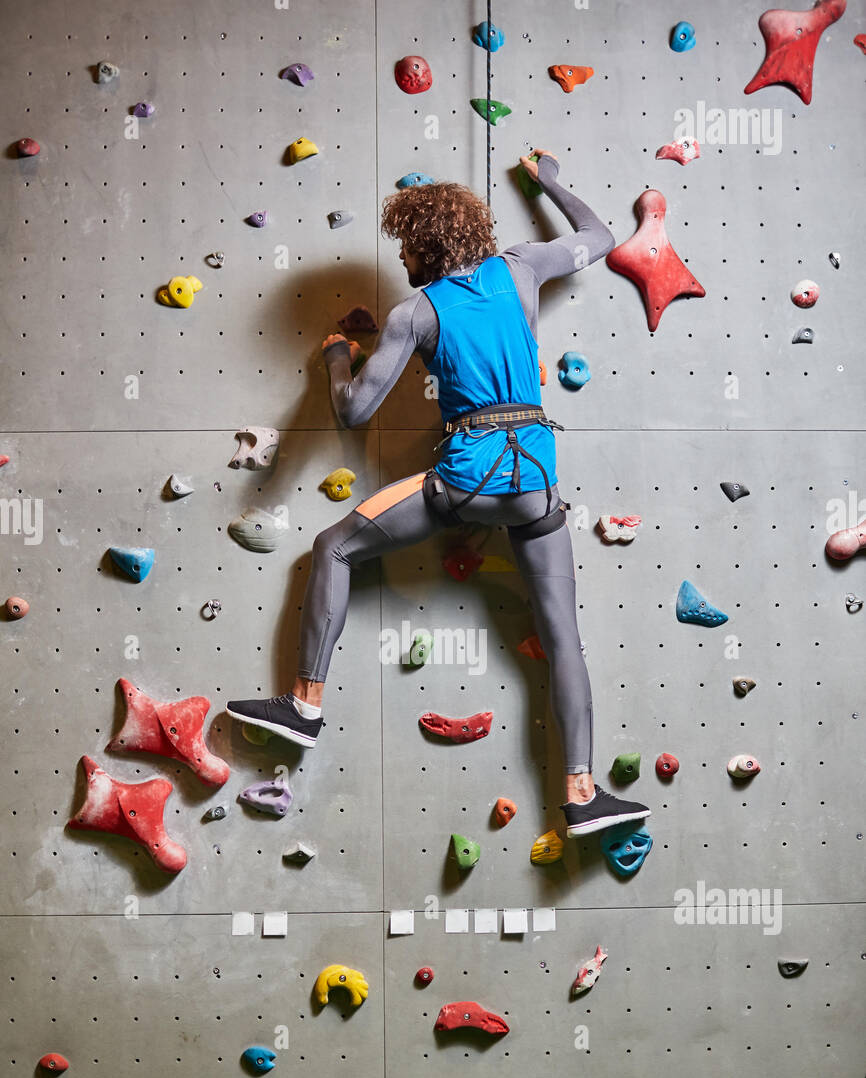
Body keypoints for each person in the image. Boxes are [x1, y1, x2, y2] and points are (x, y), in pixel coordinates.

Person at [226, 150, 650, 837]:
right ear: (474, 232)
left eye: (403, 247)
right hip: (538, 488)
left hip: (465, 483)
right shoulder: (520, 268)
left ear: (420, 249)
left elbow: (355, 413)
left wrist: (337, 358)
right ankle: (581, 793)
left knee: (333, 547)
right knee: (563, 638)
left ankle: (304, 704)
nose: (401, 259)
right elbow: (600, 236)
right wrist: (547, 181)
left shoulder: (416, 312)